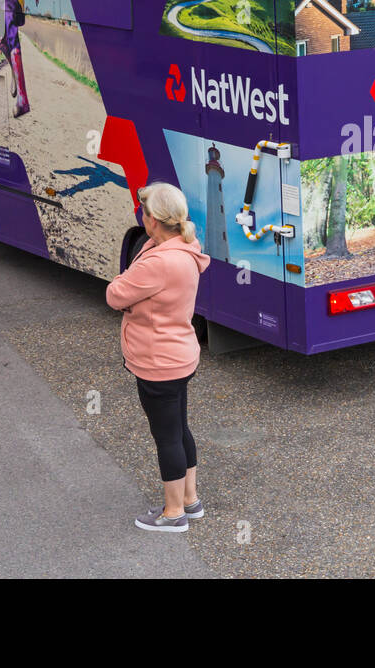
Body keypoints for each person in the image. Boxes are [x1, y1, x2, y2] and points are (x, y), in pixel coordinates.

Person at [107, 183, 211, 533]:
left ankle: (172, 514)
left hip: (157, 361)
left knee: (166, 437)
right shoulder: (186, 246)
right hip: (180, 354)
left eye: (144, 210)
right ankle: (190, 500)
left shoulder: (158, 263)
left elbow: (114, 294)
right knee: (179, 429)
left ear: (151, 219)